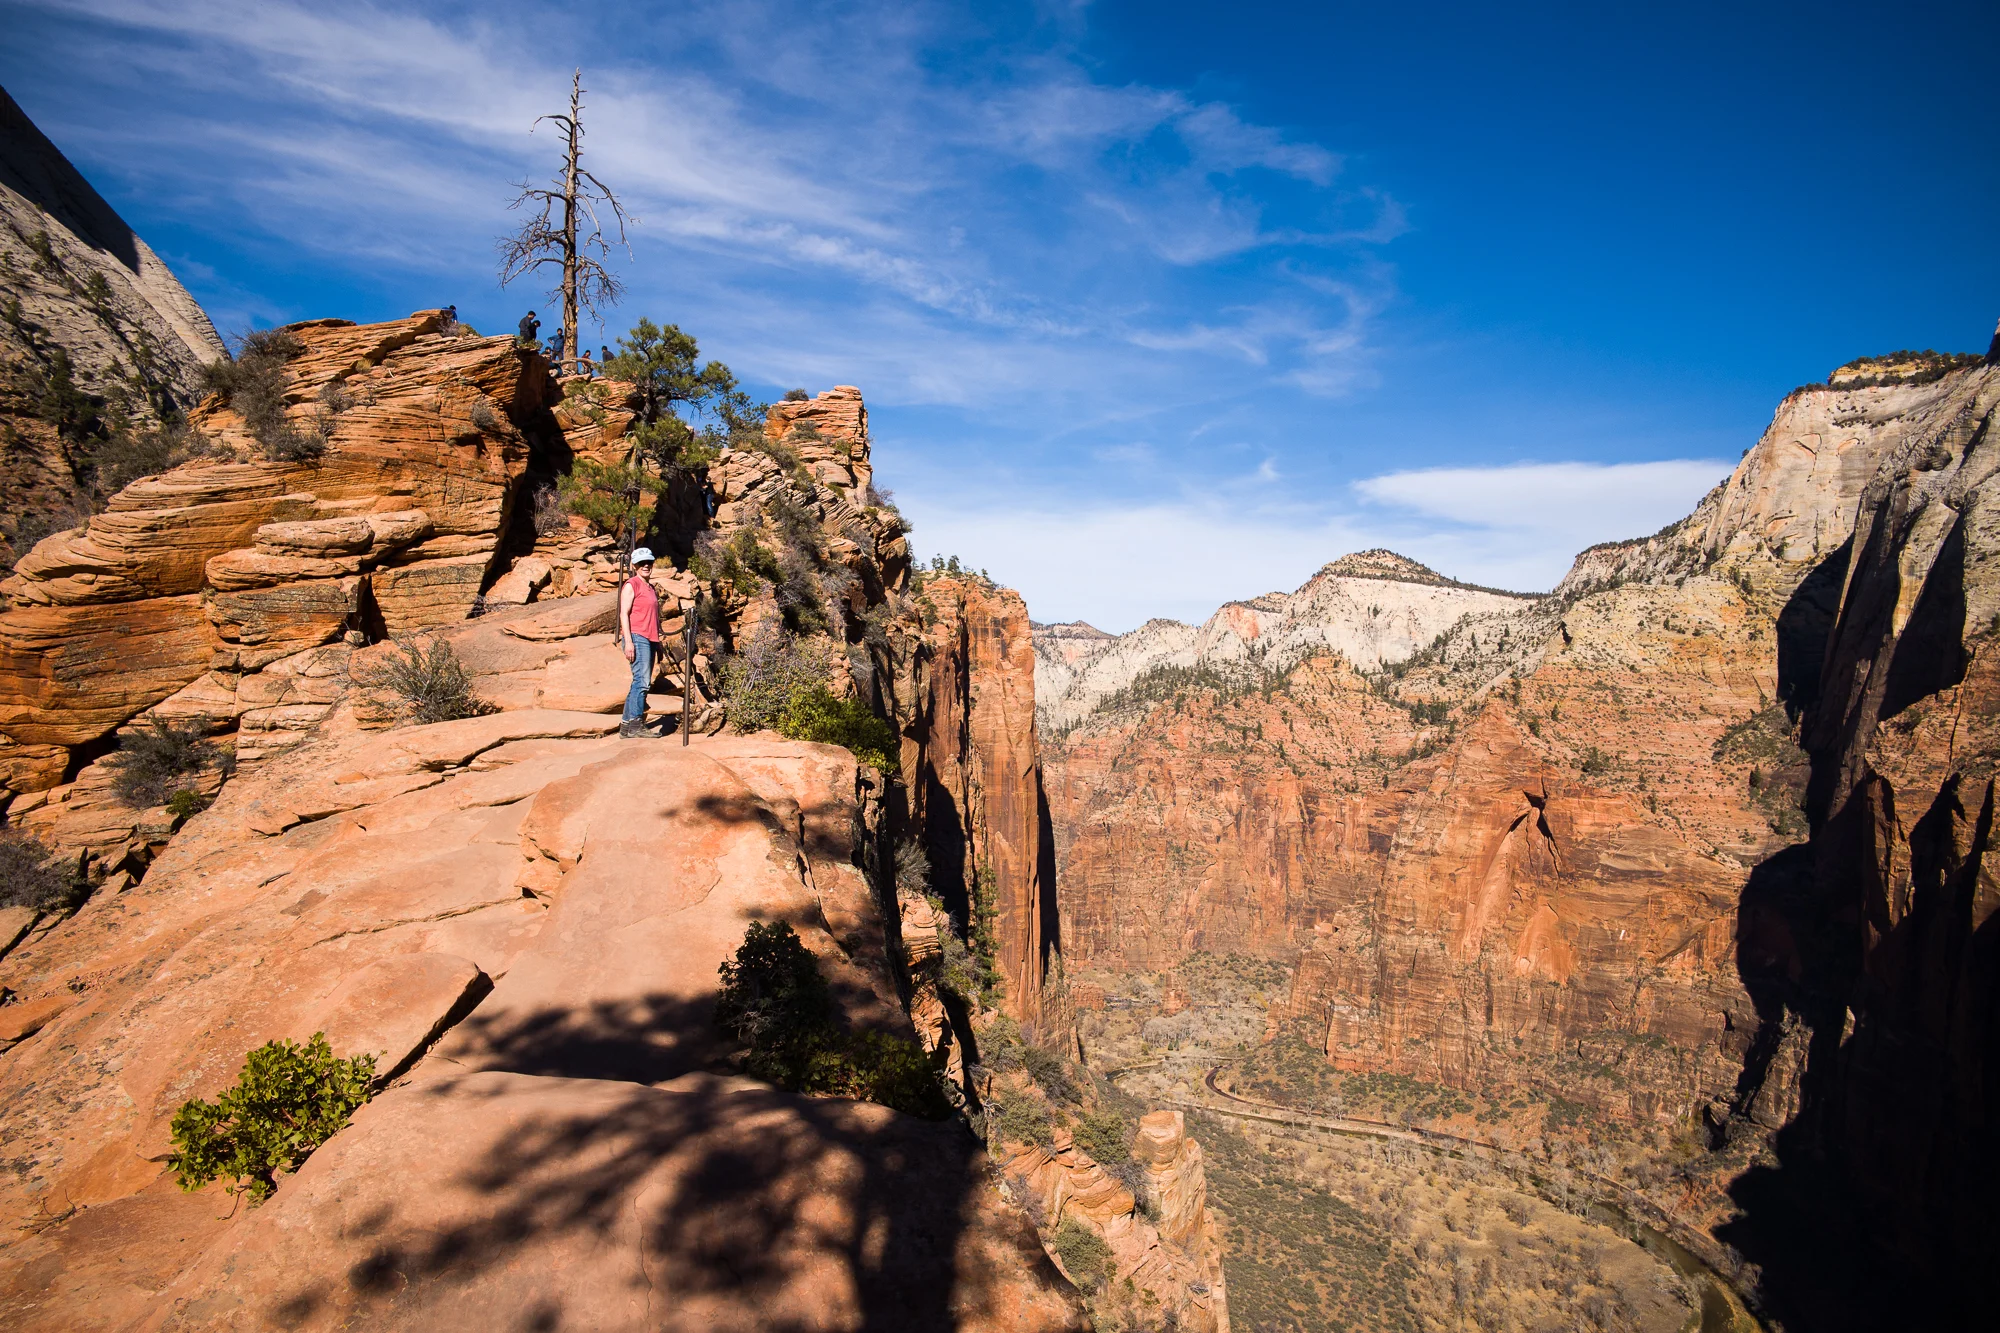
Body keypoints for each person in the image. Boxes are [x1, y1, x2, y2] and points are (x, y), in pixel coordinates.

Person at [618, 548, 662, 738]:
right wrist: (628, 641)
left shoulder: (650, 588)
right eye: (642, 563)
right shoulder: (632, 585)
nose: (646, 566)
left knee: (639, 682)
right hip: (637, 636)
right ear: (634, 566)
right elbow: (623, 614)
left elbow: (653, 617)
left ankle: (626, 726)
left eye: (649, 562)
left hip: (650, 638)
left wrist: (658, 642)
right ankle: (636, 725)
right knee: (642, 682)